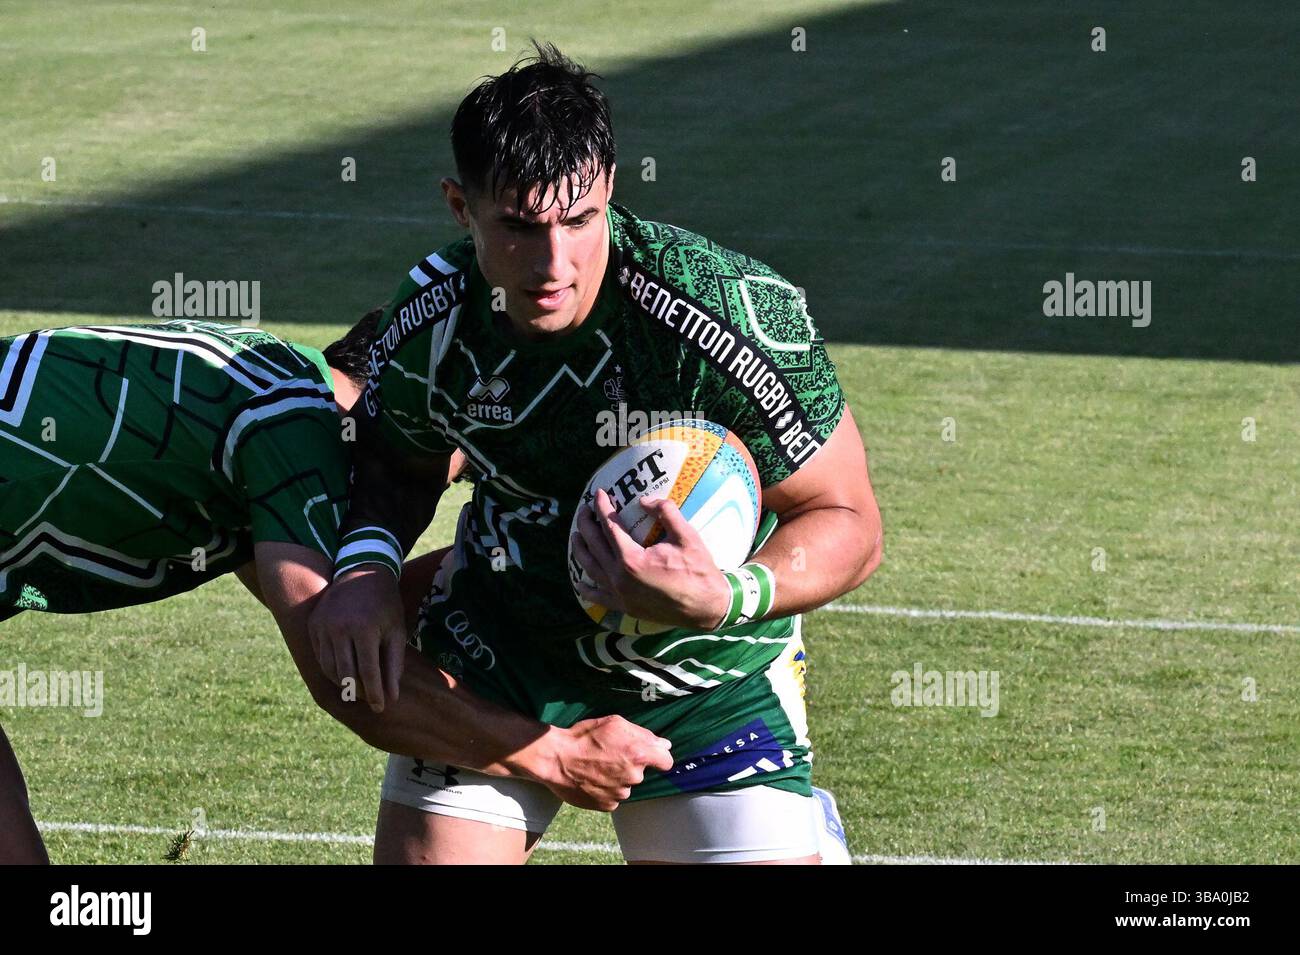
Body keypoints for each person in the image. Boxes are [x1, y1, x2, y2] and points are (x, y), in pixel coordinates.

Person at [309, 43, 882, 865]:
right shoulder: (431, 321)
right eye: (518, 225)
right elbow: (401, 460)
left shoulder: (722, 316)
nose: (553, 264)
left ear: (610, 189)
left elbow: (849, 515)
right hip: (499, 648)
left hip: (702, 681)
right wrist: (364, 566)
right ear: (459, 207)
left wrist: (726, 592)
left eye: (578, 221)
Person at [0, 316, 671, 864]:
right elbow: (348, 678)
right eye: (441, 471)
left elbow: (364, 619)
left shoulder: (268, 405)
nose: (417, 494)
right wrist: (559, 755)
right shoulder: (299, 429)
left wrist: (560, 569)